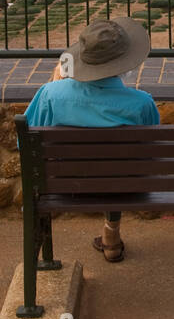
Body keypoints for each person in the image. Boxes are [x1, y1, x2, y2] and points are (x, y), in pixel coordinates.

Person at [23, 17, 159, 263]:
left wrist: (55, 85)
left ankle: (102, 238)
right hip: (126, 187)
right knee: (115, 166)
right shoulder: (141, 103)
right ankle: (111, 234)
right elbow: (152, 151)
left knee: (103, 166)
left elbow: (27, 145)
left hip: (64, 187)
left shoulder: (51, 95)